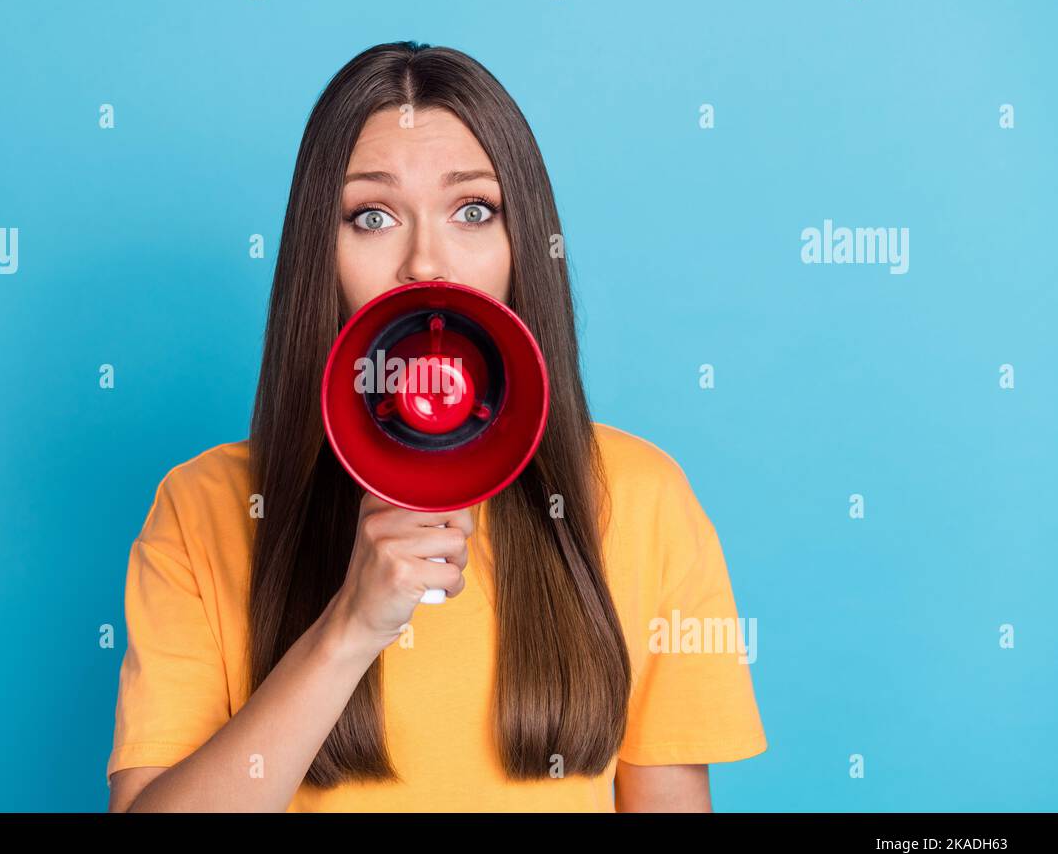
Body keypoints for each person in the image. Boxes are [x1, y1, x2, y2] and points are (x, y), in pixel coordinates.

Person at [106, 41, 767, 812]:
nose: (427, 264)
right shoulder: (205, 506)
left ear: (526, 248)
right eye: (373, 216)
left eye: (474, 210)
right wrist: (349, 628)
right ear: (320, 255)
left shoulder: (640, 496)